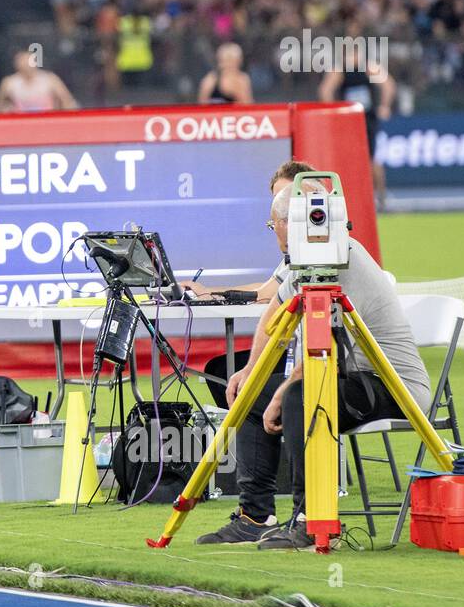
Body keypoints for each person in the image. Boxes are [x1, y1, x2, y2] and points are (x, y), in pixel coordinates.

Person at [197, 166, 432, 550]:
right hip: (349, 378)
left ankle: (311, 520)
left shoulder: (341, 258)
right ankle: (254, 517)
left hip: (392, 387)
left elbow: (328, 350)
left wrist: (281, 391)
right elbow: (273, 314)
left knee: (298, 395)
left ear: (287, 224)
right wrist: (250, 371)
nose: (274, 237)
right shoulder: (306, 256)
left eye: (273, 228)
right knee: (255, 393)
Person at [184, 160, 318, 407]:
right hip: (298, 353)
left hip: (308, 358)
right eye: (277, 200)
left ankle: (250, 439)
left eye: (287, 198)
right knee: (220, 369)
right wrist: (207, 291)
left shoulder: (317, 251)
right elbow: (266, 290)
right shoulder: (297, 253)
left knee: (225, 373)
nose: (281, 207)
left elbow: (268, 295)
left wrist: (210, 293)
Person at [319, 59, 395, 210]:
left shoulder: (366, 68)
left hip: (364, 120)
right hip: (349, 120)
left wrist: (385, 106)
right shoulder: (341, 70)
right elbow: (325, 90)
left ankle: (380, 197)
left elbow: (388, 85)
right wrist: (333, 111)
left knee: (371, 160)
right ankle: (356, 197)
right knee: (350, 160)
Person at [0, 51, 79, 113]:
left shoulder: (49, 79)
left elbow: (68, 102)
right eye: (22, 63)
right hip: (20, 123)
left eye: (28, 62)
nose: (26, 66)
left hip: (48, 121)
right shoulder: (10, 82)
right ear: (17, 65)